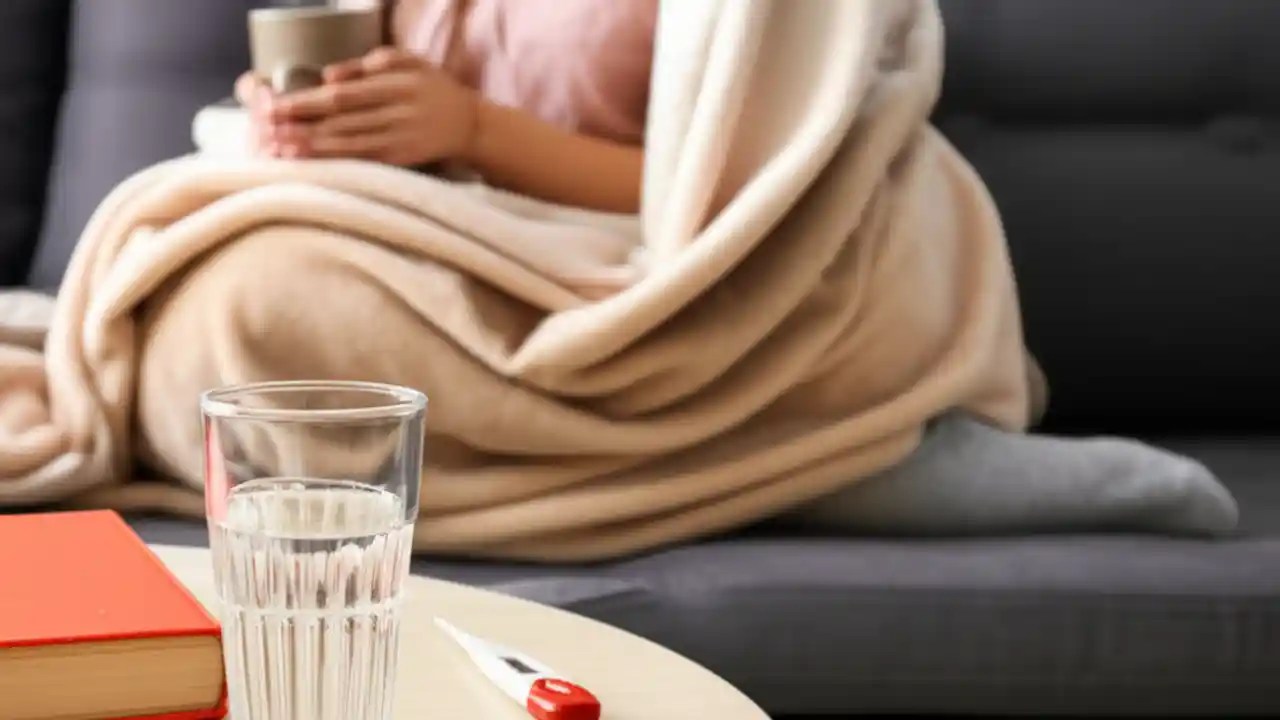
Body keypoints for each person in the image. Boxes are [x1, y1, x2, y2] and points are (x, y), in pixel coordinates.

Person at [233, 0, 1236, 535]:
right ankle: (783, 467)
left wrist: (477, 129)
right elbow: (405, 138)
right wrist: (320, 118)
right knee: (237, 297)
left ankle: (851, 454)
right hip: (482, 254)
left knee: (274, 351)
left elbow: (761, 190)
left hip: (704, 270)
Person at [236, 0, 652, 214]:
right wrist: (290, 112)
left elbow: (710, 201)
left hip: (603, 264)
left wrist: (475, 130)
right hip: (399, 222)